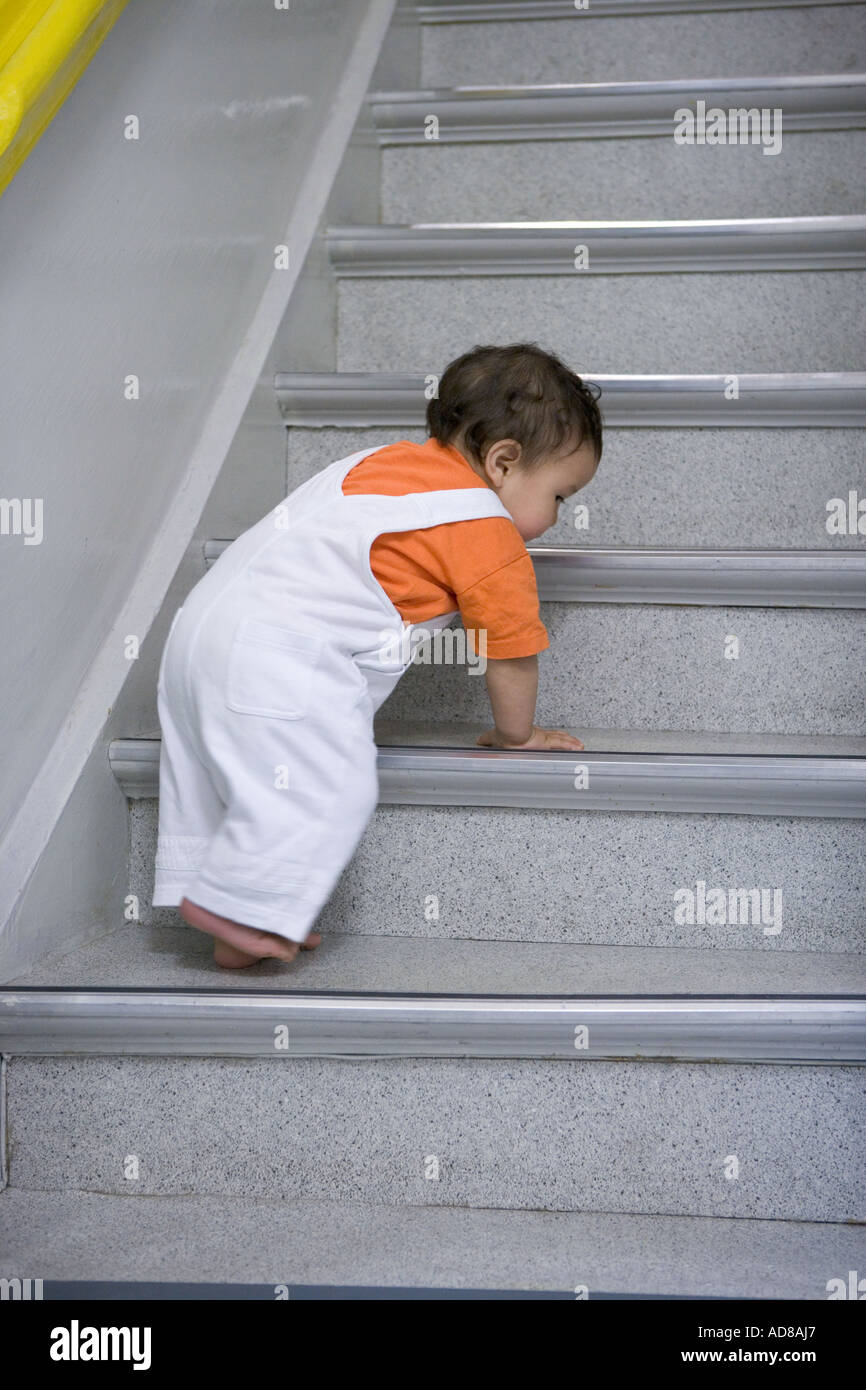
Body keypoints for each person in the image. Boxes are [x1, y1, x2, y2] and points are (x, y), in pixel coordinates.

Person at [152, 342, 602, 967]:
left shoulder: (383, 466)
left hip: (196, 633)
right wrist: (516, 735)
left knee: (216, 769)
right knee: (331, 781)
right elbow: (510, 652)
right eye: (560, 495)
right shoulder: (487, 532)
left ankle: (233, 909)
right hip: (279, 655)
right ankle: (247, 906)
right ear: (503, 462)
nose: (556, 515)